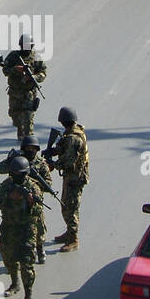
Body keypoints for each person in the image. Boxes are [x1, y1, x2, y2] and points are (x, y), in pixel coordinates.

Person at [0, 156, 44, 299]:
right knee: (7, 256)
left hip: (27, 228)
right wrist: (8, 196)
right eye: (15, 174)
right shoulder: (7, 185)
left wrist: (30, 203)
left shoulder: (33, 188)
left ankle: (28, 296)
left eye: (20, 174)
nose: (17, 177)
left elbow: (39, 212)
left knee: (27, 263)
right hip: (9, 227)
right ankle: (15, 283)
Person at [0, 135, 54, 263]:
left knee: (38, 227)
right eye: (28, 148)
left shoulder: (41, 165)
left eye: (33, 148)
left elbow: (48, 184)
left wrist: (32, 184)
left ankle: (40, 248)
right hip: (14, 201)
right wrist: (10, 161)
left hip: (32, 201)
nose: (30, 150)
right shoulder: (17, 161)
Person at [47, 105, 88, 253]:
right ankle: (69, 233)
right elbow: (66, 148)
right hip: (73, 176)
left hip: (74, 178)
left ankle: (73, 239)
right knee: (66, 206)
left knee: (70, 208)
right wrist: (55, 150)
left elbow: (68, 161)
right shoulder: (75, 132)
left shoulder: (73, 138)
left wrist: (53, 164)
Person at [2, 32, 47, 138]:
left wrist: (33, 77)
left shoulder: (36, 57)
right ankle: (20, 130)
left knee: (28, 118)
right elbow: (5, 70)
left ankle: (28, 141)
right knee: (15, 116)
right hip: (15, 93)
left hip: (28, 93)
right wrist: (15, 69)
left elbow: (43, 73)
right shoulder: (13, 56)